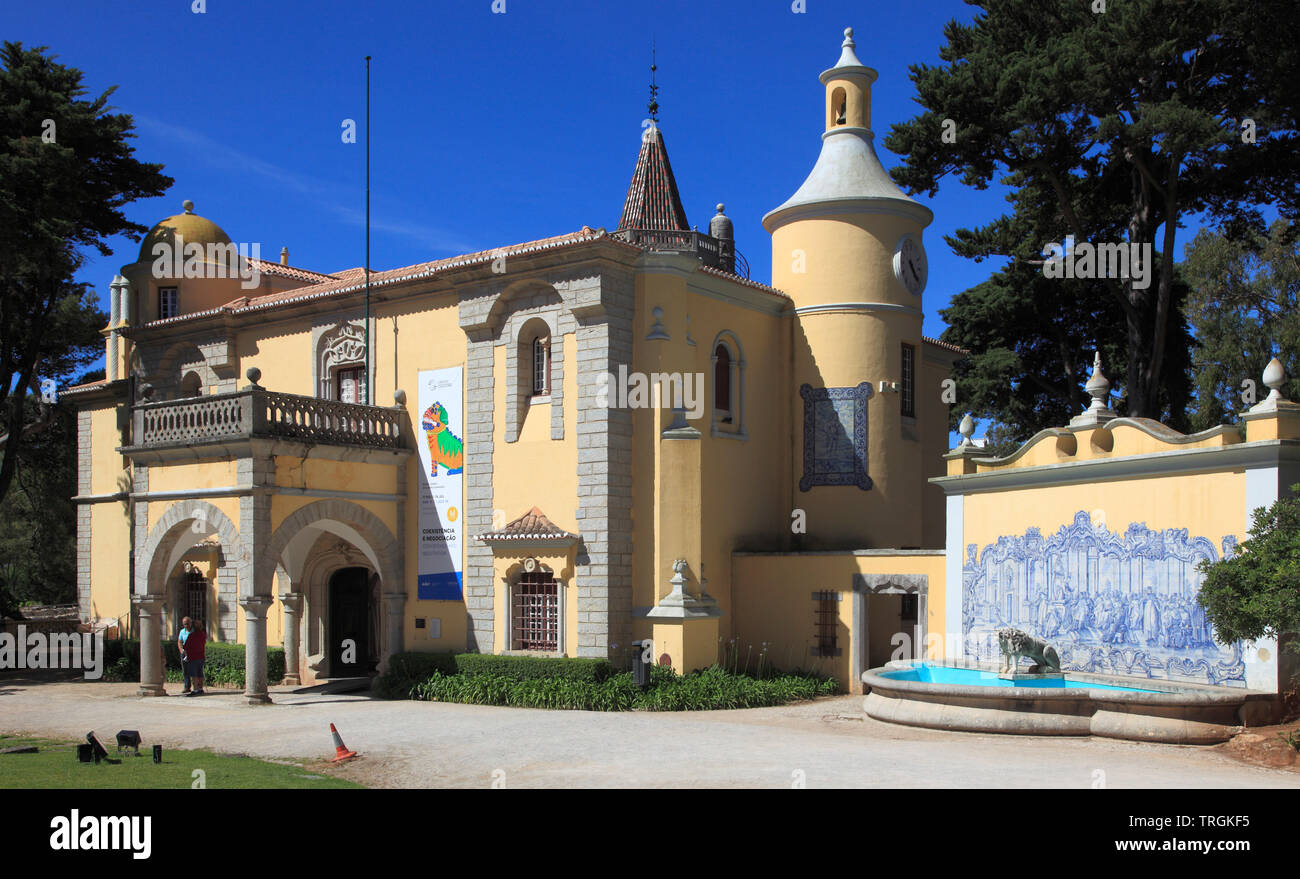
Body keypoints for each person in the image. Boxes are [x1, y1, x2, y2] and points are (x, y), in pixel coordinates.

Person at [183, 618, 207, 697]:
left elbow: (186, 646)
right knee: (200, 673)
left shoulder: (192, 635)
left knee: (194, 674)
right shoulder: (203, 635)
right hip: (201, 656)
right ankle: (200, 688)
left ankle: (195, 689)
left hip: (193, 657)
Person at [177, 616, 193, 694]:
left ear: (190, 623)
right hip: (184, 653)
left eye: (187, 624)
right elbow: (180, 642)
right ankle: (187, 686)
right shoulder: (182, 631)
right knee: (185, 670)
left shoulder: (194, 631)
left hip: (193, 652)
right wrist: (181, 651)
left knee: (194, 670)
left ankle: (197, 687)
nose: (186, 626)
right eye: (184, 624)